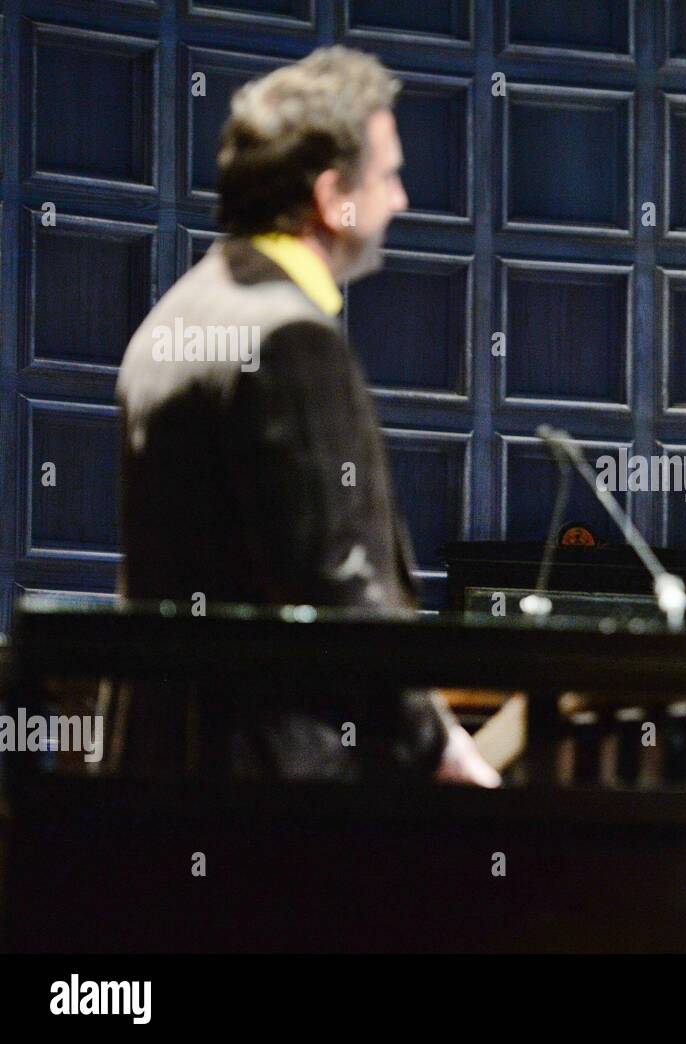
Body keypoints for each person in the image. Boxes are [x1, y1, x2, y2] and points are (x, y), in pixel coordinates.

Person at [110, 46, 497, 786]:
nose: (401, 201)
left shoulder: (171, 320)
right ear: (332, 197)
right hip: (274, 789)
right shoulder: (287, 340)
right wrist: (441, 749)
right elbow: (335, 586)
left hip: (165, 776)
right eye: (387, 176)